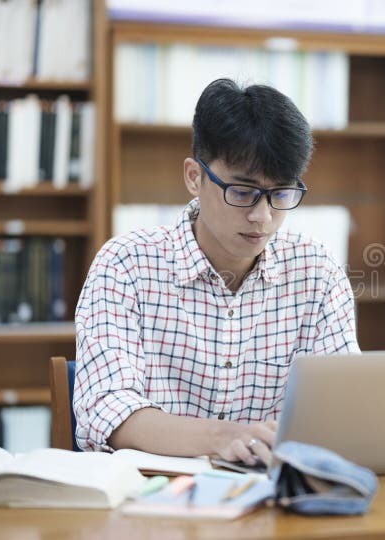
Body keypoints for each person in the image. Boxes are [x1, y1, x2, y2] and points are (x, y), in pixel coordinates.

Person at [73, 78, 360, 465]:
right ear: (195, 177)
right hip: (153, 492)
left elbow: (343, 406)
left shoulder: (317, 272)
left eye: (280, 194)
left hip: (274, 491)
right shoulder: (125, 265)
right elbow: (108, 413)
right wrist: (226, 437)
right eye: (242, 192)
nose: (262, 217)